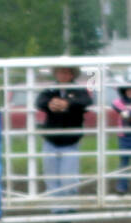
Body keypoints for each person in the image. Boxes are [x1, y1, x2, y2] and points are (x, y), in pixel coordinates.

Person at [35, 65, 92, 213]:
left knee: (69, 177)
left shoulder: (78, 90)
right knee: (52, 177)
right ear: (56, 74)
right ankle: (57, 210)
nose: (63, 75)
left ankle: (70, 205)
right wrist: (50, 104)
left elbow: (86, 102)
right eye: (60, 72)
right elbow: (39, 102)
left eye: (67, 72)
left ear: (72, 74)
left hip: (70, 140)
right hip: (51, 138)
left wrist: (68, 104)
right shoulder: (50, 90)